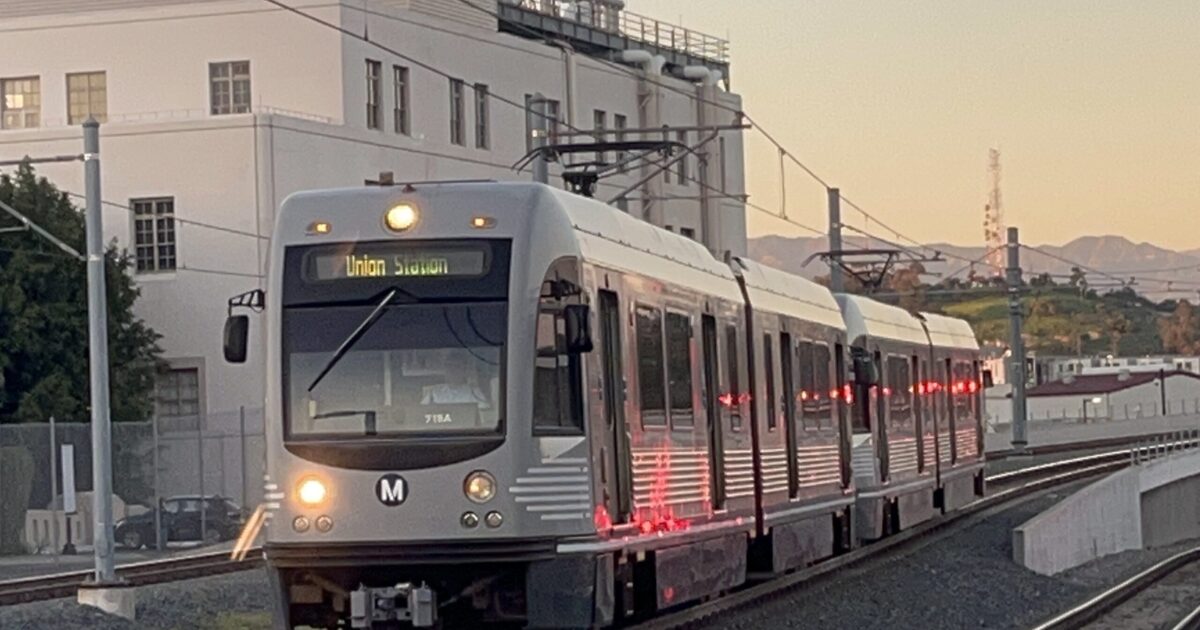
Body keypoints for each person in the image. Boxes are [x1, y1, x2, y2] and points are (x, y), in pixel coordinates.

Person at [421, 352, 491, 408]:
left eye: (457, 366)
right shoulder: (434, 393)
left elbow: (484, 413)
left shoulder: (474, 393)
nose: (452, 370)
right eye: (449, 366)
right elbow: (421, 413)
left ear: (464, 370)